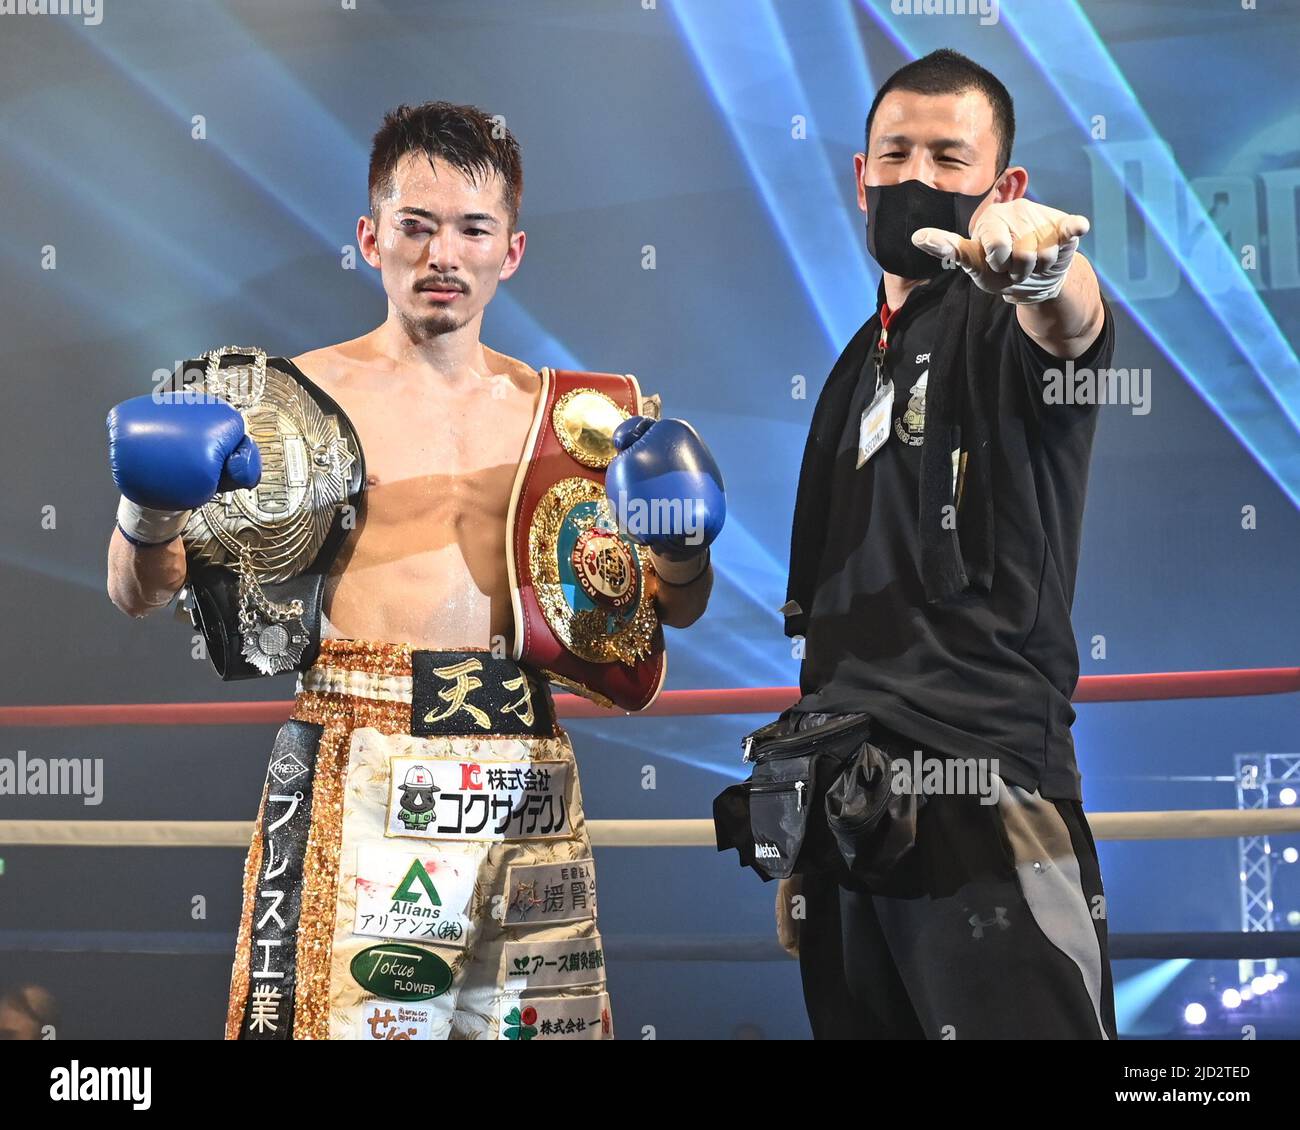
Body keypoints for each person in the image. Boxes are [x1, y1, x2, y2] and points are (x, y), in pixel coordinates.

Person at [105, 101, 724, 1041]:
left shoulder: (580, 421)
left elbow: (671, 614)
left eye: (473, 228)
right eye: (417, 225)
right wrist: (147, 511)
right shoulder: (285, 402)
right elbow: (137, 592)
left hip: (525, 767)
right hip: (363, 750)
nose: (445, 253)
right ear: (371, 238)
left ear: (509, 250)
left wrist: (681, 549)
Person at [770, 49, 1117, 1039]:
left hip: (984, 796)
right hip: (846, 815)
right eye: (896, 152)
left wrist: (1043, 264)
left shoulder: (999, 319)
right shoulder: (852, 365)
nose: (916, 173)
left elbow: (1071, 321)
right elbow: (827, 624)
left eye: (949, 157)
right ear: (859, 173)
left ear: (1001, 186)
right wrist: (802, 832)